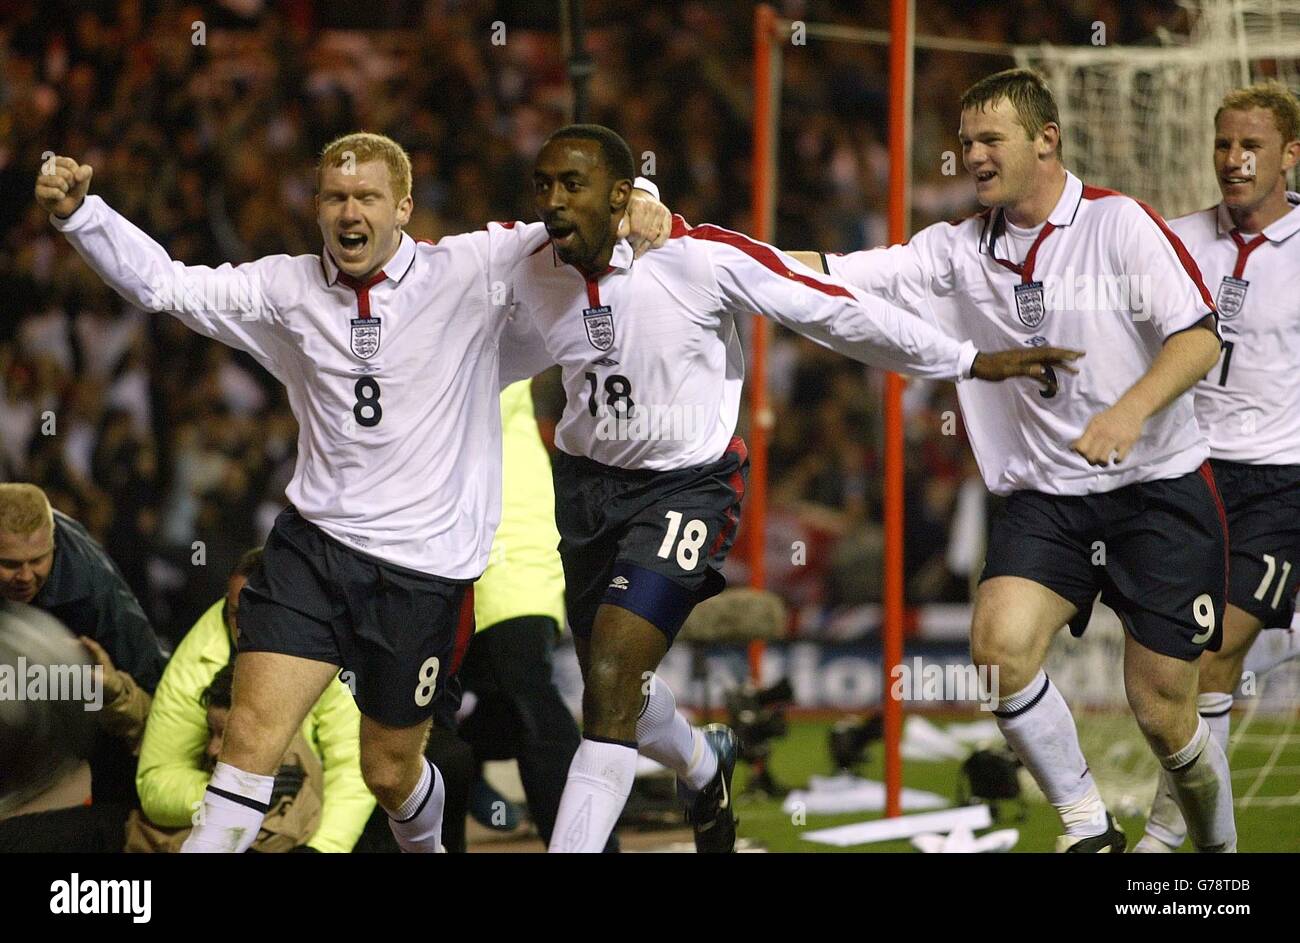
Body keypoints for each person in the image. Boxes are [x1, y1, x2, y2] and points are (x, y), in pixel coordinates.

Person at [35, 132, 670, 853]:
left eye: (366, 196)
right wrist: (83, 215)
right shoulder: (284, 288)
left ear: (402, 206)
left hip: (422, 572)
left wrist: (643, 201)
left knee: (390, 772)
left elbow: (574, 214)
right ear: (317, 207)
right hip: (315, 549)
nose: (349, 211)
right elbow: (166, 285)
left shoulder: (470, 269)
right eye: (335, 197)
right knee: (248, 739)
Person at [506, 123, 1082, 853]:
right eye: (543, 186)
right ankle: (702, 758)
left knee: (615, 675)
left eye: (572, 186)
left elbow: (835, 309)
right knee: (608, 686)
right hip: (587, 487)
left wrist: (969, 360)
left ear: (620, 195)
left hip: (685, 487)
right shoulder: (528, 264)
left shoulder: (698, 258)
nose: (553, 203)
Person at [793, 68, 1235, 852]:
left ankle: (1218, 855)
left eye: (991, 138)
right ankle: (1087, 827)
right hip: (1049, 495)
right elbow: (829, 271)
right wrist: (699, 251)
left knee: (1166, 712)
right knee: (998, 650)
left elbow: (1200, 337)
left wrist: (1127, 413)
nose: (973, 155)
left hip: (1156, 490)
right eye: (965, 142)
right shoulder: (956, 251)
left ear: (1046, 139)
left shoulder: (1119, 225)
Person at [1135, 81, 1300, 852]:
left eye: (1251, 147)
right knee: (1180, 676)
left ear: (1289, 155)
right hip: (1189, 474)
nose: (1233, 162)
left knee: (1215, 651)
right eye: (1223, 145)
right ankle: (1213, 849)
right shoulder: (1173, 240)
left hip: (1280, 481)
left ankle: (1176, 840)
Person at [432, 380, 601, 852]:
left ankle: (581, 842)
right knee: (441, 710)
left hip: (511, 529)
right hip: (437, 536)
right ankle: (462, 775)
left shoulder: (488, 325)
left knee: (527, 691)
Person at [131, 548, 374, 852]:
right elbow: (157, 782)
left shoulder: (327, 648)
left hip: (313, 814)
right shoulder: (195, 665)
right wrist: (242, 795)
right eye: (236, 613)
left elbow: (352, 767)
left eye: (261, 613)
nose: (247, 626)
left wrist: (322, 848)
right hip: (216, 820)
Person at [0, 482, 166, 804]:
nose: (24, 576)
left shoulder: (93, 587)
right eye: (9, 563)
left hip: (79, 700)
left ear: (52, 544)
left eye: (37, 560)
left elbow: (148, 671)